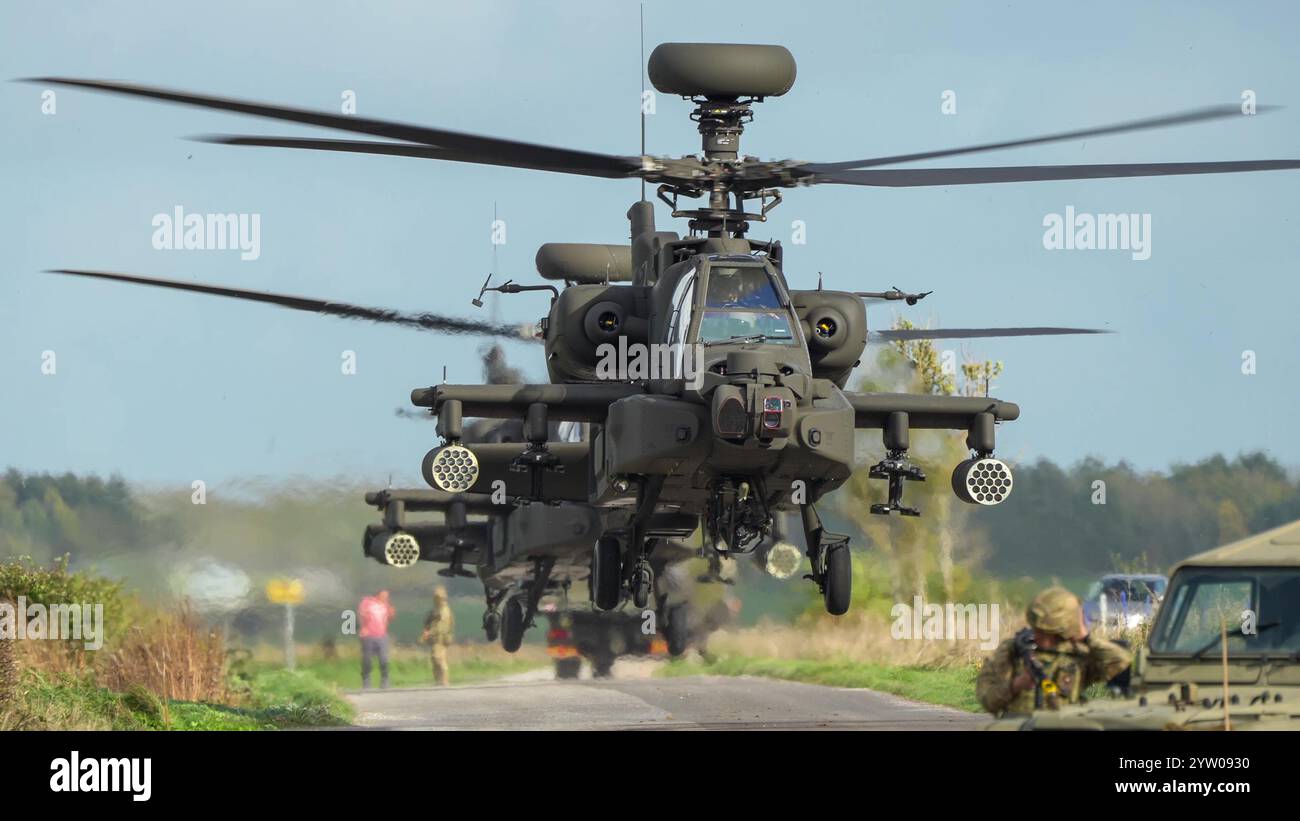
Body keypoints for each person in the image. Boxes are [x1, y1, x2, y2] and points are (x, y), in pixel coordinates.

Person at [976, 586, 1131, 716]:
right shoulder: (1015, 650)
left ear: (1064, 630)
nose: (1039, 638)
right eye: (1037, 631)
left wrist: (1086, 638)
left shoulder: (1078, 654)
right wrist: (1016, 685)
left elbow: (1122, 664)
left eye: (1047, 634)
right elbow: (987, 698)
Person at [358, 590, 395, 689]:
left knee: (384, 659)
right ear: (378, 595)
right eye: (384, 595)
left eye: (387, 596)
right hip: (368, 635)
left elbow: (390, 618)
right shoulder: (367, 602)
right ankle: (366, 680)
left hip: (382, 635)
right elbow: (361, 615)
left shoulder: (386, 605)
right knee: (367, 660)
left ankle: (385, 680)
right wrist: (363, 627)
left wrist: (391, 612)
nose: (386, 598)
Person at [420, 586, 454, 686]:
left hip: (441, 638)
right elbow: (429, 620)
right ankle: (438, 680)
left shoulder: (444, 610)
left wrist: (429, 632)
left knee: (438, 658)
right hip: (435, 638)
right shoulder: (436, 609)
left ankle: (444, 680)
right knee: (435, 659)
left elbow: (441, 627)